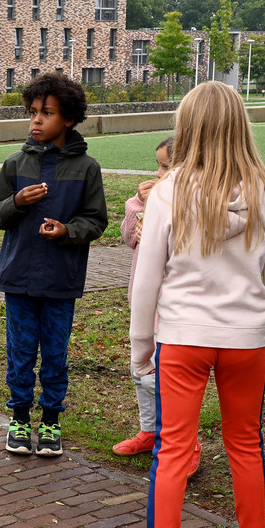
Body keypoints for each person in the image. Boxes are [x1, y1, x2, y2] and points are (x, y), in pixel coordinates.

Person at [123, 81, 265, 528]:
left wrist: (140, 345)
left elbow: (147, 278)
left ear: (187, 128)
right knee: (245, 443)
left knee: (173, 449)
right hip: (245, 340)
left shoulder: (170, 191)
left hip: (183, 339)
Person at [0, 73, 108, 457]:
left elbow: (96, 220)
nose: (36, 120)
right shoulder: (14, 163)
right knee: (20, 353)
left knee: (55, 355)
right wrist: (17, 203)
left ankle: (52, 421)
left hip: (60, 281)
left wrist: (67, 230)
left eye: (47, 113)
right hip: (19, 280)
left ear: (68, 118)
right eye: (33, 112)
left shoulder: (87, 168)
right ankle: (19, 418)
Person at [112, 137, 173, 457]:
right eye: (158, 165)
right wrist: (137, 204)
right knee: (140, 370)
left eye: (165, 166)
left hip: (172, 309)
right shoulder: (151, 200)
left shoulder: (186, 205)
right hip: (143, 304)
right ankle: (149, 431)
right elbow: (128, 239)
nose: (157, 173)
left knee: (163, 378)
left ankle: (180, 440)